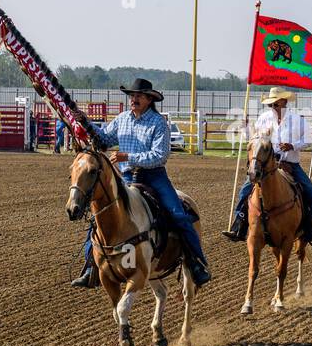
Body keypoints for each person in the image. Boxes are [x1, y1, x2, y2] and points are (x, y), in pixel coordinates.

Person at [71, 78, 211, 289]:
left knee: (179, 215)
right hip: (126, 177)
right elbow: (103, 139)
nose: (134, 99)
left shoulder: (158, 123)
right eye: (132, 96)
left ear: (149, 99)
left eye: (138, 96)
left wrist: (129, 156)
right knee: (98, 217)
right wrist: (85, 122)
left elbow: (160, 156)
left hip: (153, 177)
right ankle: (91, 267)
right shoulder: (122, 119)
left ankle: (197, 263)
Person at [223, 87, 312, 243]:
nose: (273, 107)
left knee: (309, 189)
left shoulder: (297, 119)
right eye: (271, 105)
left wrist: (293, 146)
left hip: (290, 163)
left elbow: (309, 139)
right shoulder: (263, 118)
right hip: (265, 166)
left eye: (275, 104)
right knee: (244, 191)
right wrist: (245, 128)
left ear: (284, 102)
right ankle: (239, 225)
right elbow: (254, 139)